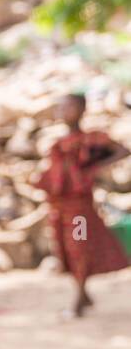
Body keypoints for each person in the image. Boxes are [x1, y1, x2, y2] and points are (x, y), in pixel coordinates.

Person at [35, 92, 129, 317]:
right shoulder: (58, 141)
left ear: (81, 110)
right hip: (58, 207)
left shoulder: (92, 139)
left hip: (79, 209)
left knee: (79, 247)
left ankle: (77, 302)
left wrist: (94, 168)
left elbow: (123, 150)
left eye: (68, 107)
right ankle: (84, 295)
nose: (63, 111)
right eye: (61, 107)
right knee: (65, 250)